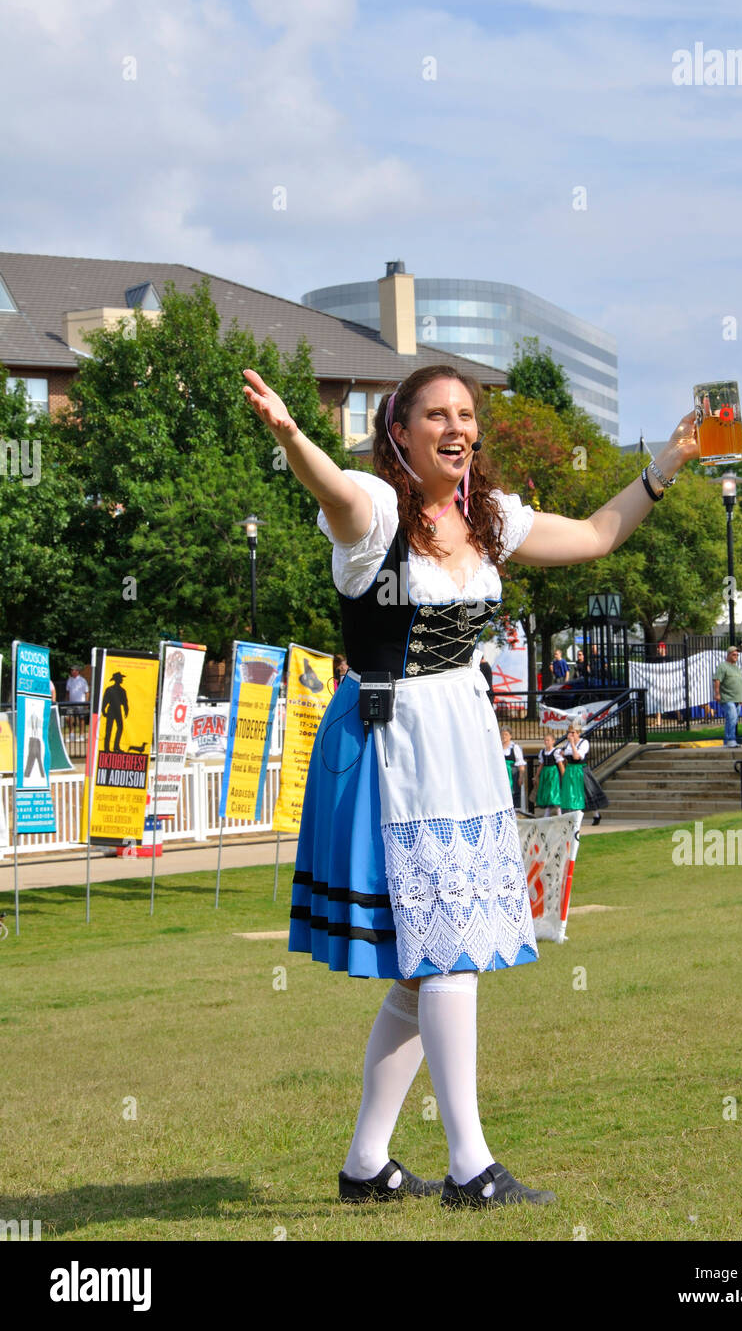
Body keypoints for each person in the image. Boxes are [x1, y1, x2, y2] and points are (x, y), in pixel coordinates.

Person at [243, 360, 697, 1211]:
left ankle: (365, 1166)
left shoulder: (487, 519)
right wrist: (290, 436)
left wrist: (663, 467)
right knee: (447, 950)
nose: (457, 426)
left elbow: (598, 534)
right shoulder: (376, 514)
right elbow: (335, 491)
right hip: (396, 744)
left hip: (459, 736)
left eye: (465, 413)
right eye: (436, 415)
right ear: (401, 433)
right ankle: (469, 1167)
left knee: (423, 974)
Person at [713, 647, 742, 748]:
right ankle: (731, 739)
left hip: (737, 698)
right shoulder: (723, 666)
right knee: (732, 717)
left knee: (733, 719)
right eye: (734, 655)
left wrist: (740, 698)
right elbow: (717, 680)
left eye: (737, 655)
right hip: (727, 698)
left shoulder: (736, 667)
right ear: (728, 654)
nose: (736, 657)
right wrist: (717, 693)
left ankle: (727, 740)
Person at [534, 732, 564, 816]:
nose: (546, 742)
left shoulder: (556, 751)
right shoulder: (542, 752)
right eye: (545, 740)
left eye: (548, 740)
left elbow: (560, 764)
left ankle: (559, 813)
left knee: (553, 792)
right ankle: (547, 813)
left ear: (553, 741)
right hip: (545, 773)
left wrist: (563, 775)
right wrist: (536, 776)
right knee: (547, 792)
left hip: (553, 773)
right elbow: (541, 765)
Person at [500, 726, 526, 808]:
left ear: (510, 736)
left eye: (506, 734)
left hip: (512, 772)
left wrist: (521, 776)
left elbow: (520, 763)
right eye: (502, 734)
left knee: (514, 792)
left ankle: (516, 811)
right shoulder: (498, 747)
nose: (504, 736)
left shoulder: (514, 747)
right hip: (501, 773)